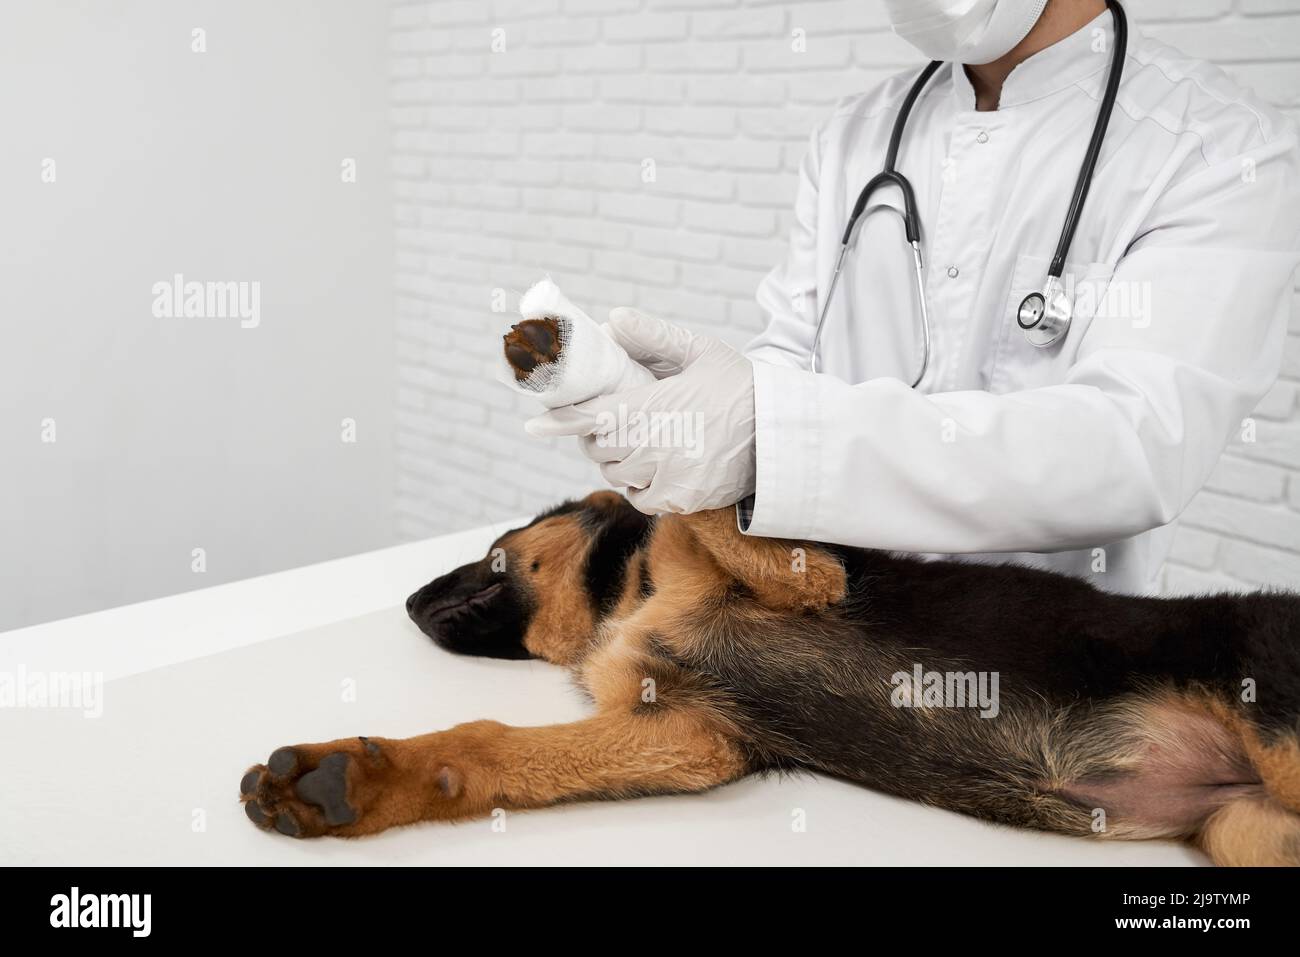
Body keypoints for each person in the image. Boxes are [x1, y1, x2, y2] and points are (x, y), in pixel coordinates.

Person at [529, 0, 1300, 596]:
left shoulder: (1220, 151)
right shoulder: (854, 135)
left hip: (1053, 670)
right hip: (823, 620)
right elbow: (794, 352)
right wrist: (700, 405)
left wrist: (772, 429)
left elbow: (1131, 448)